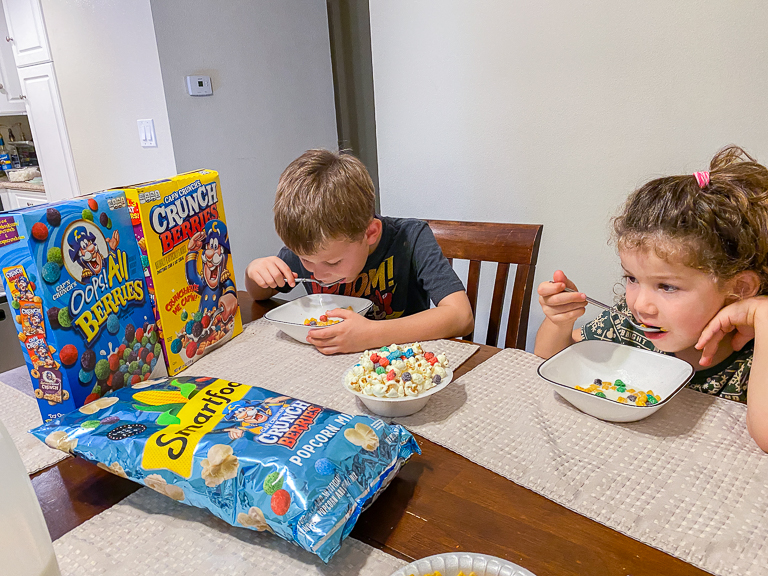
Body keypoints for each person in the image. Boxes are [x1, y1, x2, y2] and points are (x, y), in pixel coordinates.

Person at [534, 145, 768, 451]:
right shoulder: (628, 324)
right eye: (631, 279)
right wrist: (560, 322)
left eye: (667, 287)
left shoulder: (754, 354)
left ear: (739, 289)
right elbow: (548, 359)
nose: (640, 305)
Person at [245, 149, 474, 354]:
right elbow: (258, 294)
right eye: (305, 260)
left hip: (397, 363)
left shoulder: (411, 239)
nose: (319, 274)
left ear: (370, 233)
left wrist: (371, 334)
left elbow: (461, 316)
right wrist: (255, 272)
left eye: (333, 263)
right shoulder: (312, 248)